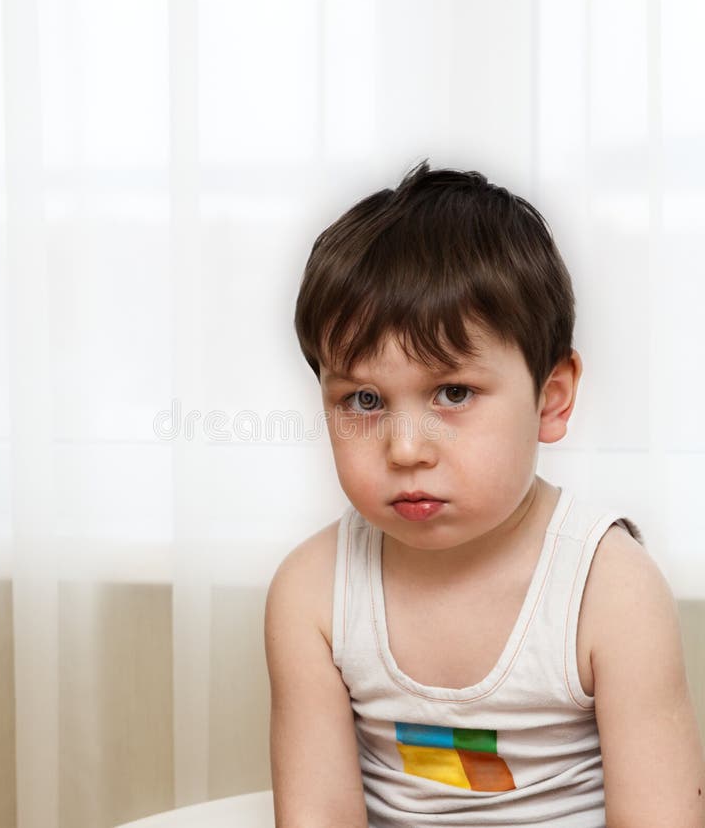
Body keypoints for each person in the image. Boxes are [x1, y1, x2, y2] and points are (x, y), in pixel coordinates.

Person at [264, 160, 705, 828]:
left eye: (454, 393)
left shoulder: (608, 589)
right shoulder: (313, 593)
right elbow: (319, 815)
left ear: (550, 400)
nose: (405, 448)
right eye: (364, 399)